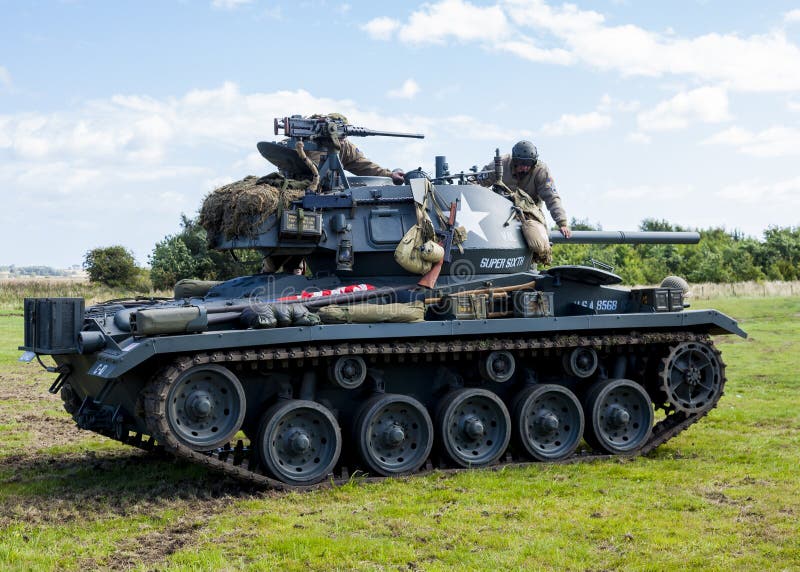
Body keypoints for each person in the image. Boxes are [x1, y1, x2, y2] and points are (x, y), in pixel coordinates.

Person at [478, 140, 571, 263]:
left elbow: (552, 197)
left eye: (529, 164)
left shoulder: (540, 170)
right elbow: (478, 182)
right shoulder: (502, 163)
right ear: (514, 161)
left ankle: (531, 264)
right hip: (500, 215)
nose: (526, 167)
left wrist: (562, 222)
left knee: (535, 245)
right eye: (522, 163)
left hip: (529, 216)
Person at [304, 113, 405, 184]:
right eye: (338, 129)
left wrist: (390, 175)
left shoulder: (345, 146)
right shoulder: (310, 143)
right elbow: (317, 172)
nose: (343, 135)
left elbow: (363, 165)